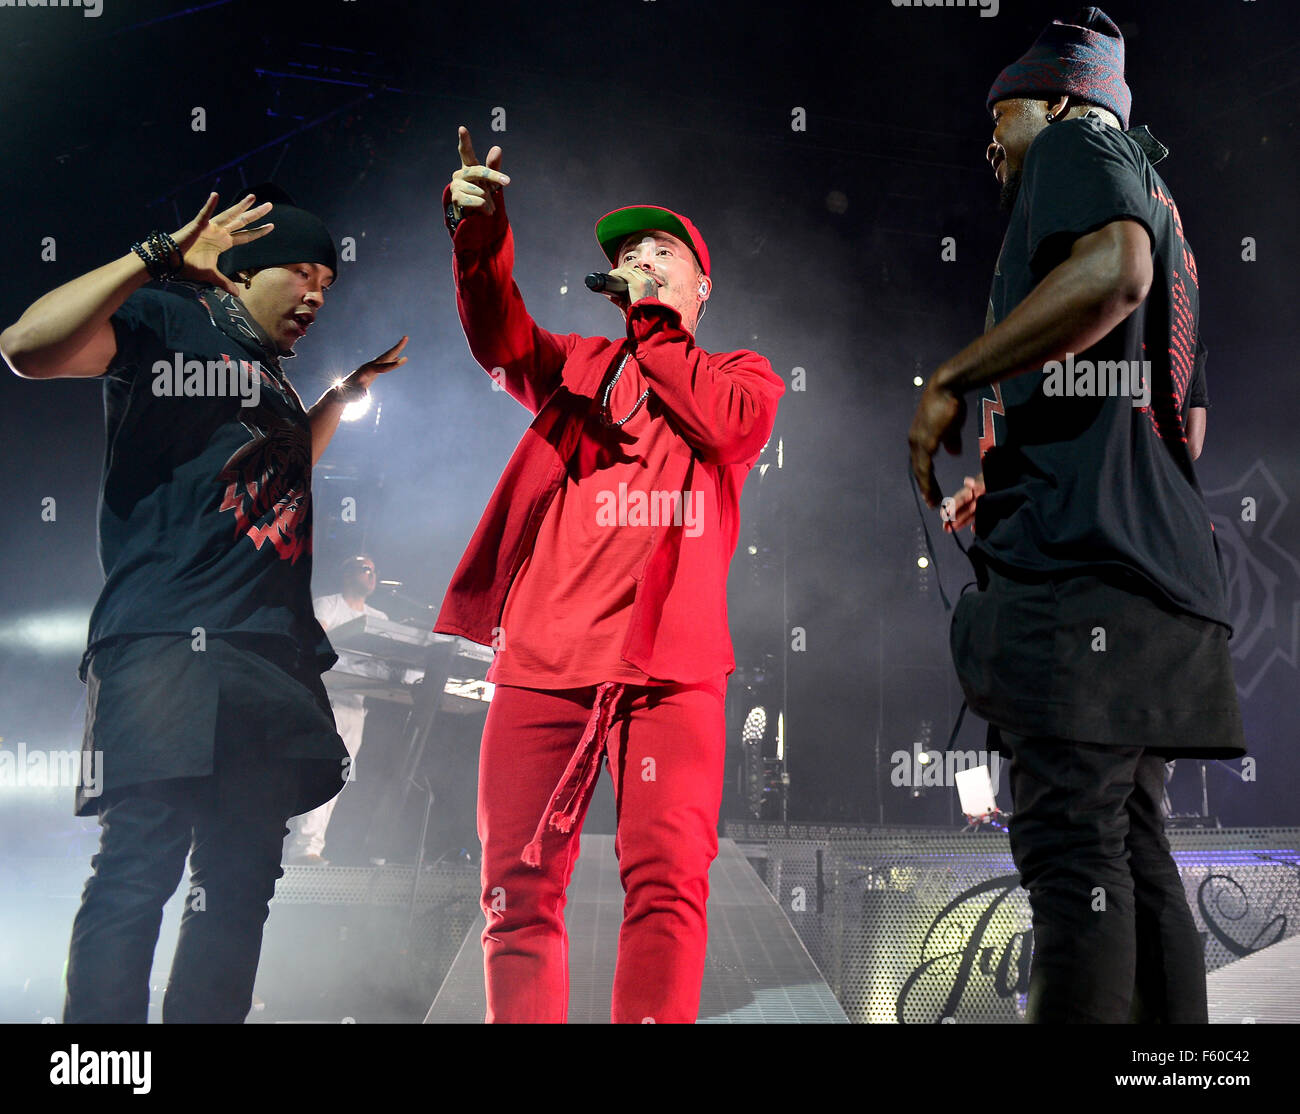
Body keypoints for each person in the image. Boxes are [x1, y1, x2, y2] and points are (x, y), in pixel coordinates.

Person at [908, 7, 1244, 1023]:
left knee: (1072, 859)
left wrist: (951, 381)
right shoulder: (1167, 205)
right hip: (1160, 581)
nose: (990, 141)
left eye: (1000, 116)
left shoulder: (1078, 140)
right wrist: (1015, 477)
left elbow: (1113, 274)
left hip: (1090, 587)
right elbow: (1168, 425)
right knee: (1131, 852)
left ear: (1056, 97)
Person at [1, 187, 408, 1023]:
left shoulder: (276, 382)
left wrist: (340, 397)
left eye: (329, 280)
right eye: (303, 272)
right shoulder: (168, 321)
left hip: (271, 657)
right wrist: (154, 255)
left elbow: (281, 460)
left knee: (241, 879)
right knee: (141, 862)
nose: (320, 294)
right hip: (162, 644)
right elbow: (24, 348)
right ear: (241, 272)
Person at [436, 127, 784, 1023]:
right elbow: (497, 336)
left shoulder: (741, 376)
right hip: (544, 661)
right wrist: (480, 238)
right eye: (628, 254)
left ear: (702, 283)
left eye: (660, 253)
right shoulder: (576, 367)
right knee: (514, 893)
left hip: (669, 673)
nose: (640, 262)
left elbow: (723, 426)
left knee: (666, 887)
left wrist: (657, 327)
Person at [285, 554, 389, 865]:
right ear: (347, 574)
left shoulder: (379, 617)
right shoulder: (328, 604)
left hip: (356, 704)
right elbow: (316, 640)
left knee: (339, 775)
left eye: (373, 570)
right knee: (316, 768)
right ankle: (301, 847)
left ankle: (310, 847)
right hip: (324, 696)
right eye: (363, 568)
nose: (370, 574)